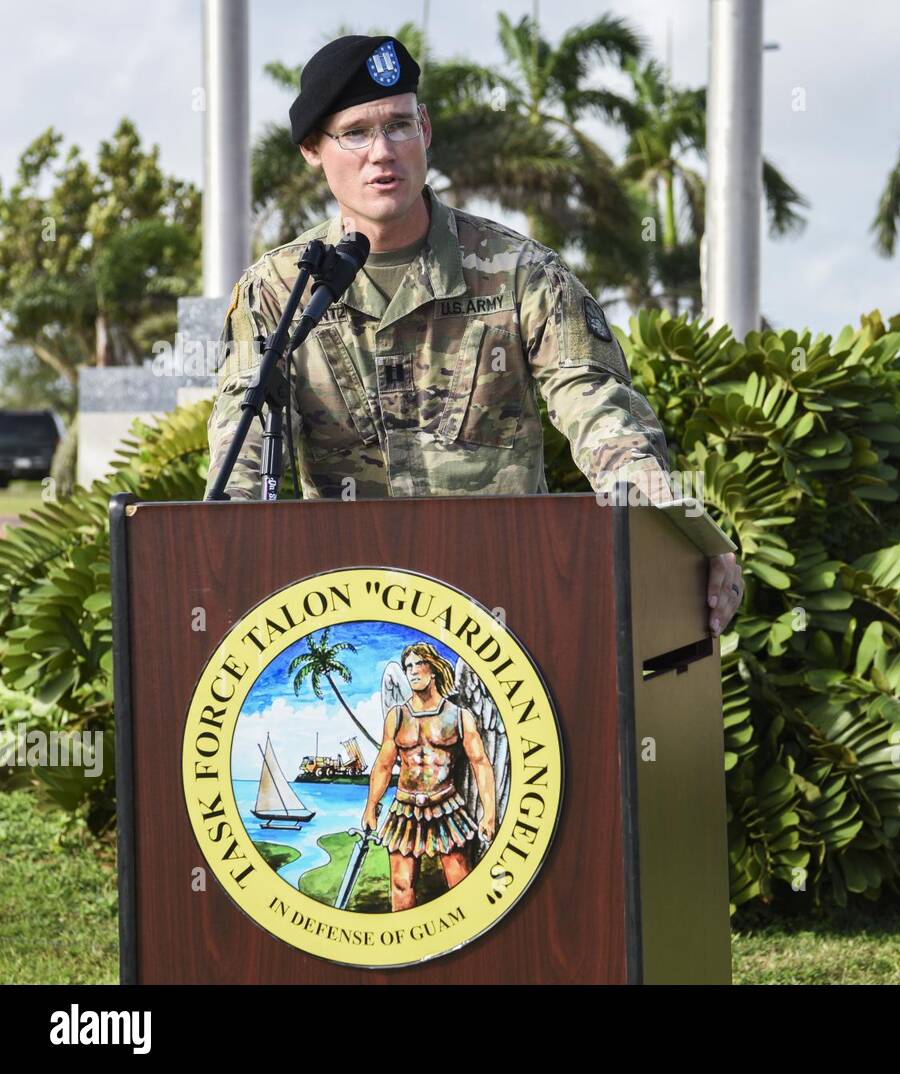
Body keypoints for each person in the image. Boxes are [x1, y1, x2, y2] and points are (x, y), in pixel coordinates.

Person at [205, 34, 743, 637]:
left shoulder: (520, 274)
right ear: (312, 150)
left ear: (426, 130)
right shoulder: (277, 293)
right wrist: (215, 575)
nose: (382, 152)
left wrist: (675, 531)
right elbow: (241, 457)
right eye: (354, 133)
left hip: (507, 608)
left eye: (399, 126)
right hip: (346, 617)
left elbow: (600, 414)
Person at [363, 643, 495, 910]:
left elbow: (480, 763)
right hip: (405, 810)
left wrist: (489, 813)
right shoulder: (397, 716)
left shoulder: (459, 716)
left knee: (460, 881)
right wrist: (371, 808)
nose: (412, 672)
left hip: (446, 807)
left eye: (418, 664)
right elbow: (384, 766)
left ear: (433, 668)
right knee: (401, 885)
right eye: (407, 667)